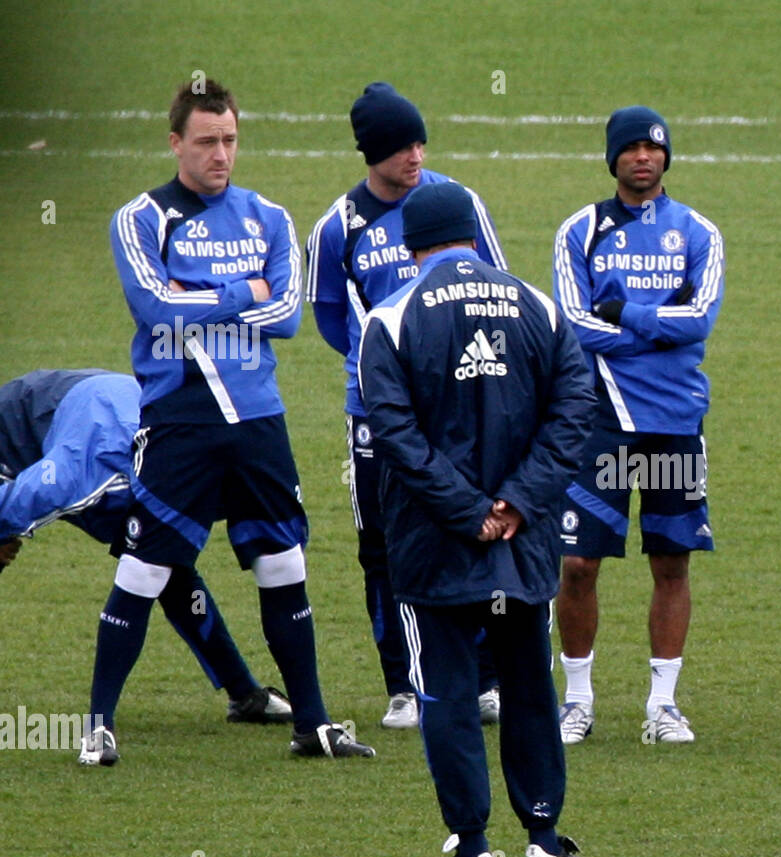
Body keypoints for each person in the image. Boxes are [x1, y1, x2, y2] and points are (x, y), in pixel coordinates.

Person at [85, 77, 375, 765]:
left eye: (231, 140)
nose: (221, 154)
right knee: (145, 569)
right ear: (176, 141)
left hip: (258, 424)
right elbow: (156, 310)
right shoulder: (141, 218)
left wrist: (203, 296)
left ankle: (313, 722)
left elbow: (288, 317)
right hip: (179, 422)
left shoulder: (268, 217)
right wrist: (244, 290)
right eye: (208, 141)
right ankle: (97, 723)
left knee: (283, 562)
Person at [359, 182, 594, 857]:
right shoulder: (539, 306)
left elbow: (392, 433)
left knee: (446, 693)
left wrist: (468, 511)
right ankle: (545, 838)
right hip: (522, 543)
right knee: (528, 684)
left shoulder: (392, 317)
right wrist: (517, 503)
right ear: (472, 237)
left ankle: (472, 846)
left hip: (436, 542)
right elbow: (576, 410)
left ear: (412, 245)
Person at [305, 82, 509, 731]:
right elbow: (333, 319)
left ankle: (486, 677)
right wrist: (385, 374)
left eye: (420, 141)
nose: (415, 155)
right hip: (376, 412)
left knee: (472, 524)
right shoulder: (338, 226)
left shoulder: (456, 203)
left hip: (460, 402)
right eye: (401, 147)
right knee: (382, 541)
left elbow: (498, 290)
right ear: (372, 152)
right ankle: (403, 683)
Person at [551, 105, 725, 745]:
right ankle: (576, 701)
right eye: (630, 150)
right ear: (613, 159)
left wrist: (624, 312)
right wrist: (660, 325)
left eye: (654, 149)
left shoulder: (699, 232)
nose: (643, 158)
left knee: (672, 562)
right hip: (598, 422)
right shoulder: (581, 230)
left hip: (676, 419)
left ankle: (662, 706)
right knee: (577, 566)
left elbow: (700, 320)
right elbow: (574, 325)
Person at [0, 368, 291, 726]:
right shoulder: (81, 472)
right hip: (24, 422)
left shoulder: (221, 471)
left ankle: (245, 694)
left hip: (101, 411)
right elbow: (24, 497)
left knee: (166, 567)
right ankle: (242, 694)